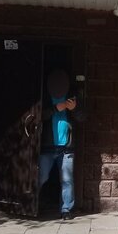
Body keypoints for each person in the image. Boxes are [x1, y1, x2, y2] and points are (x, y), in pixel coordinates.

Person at [38, 69, 80, 220]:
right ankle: (31, 204)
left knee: (67, 180)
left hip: (66, 148)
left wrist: (74, 109)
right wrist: (56, 108)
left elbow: (83, 117)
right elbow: (38, 115)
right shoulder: (44, 97)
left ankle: (66, 209)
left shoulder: (72, 98)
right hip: (47, 147)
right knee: (42, 176)